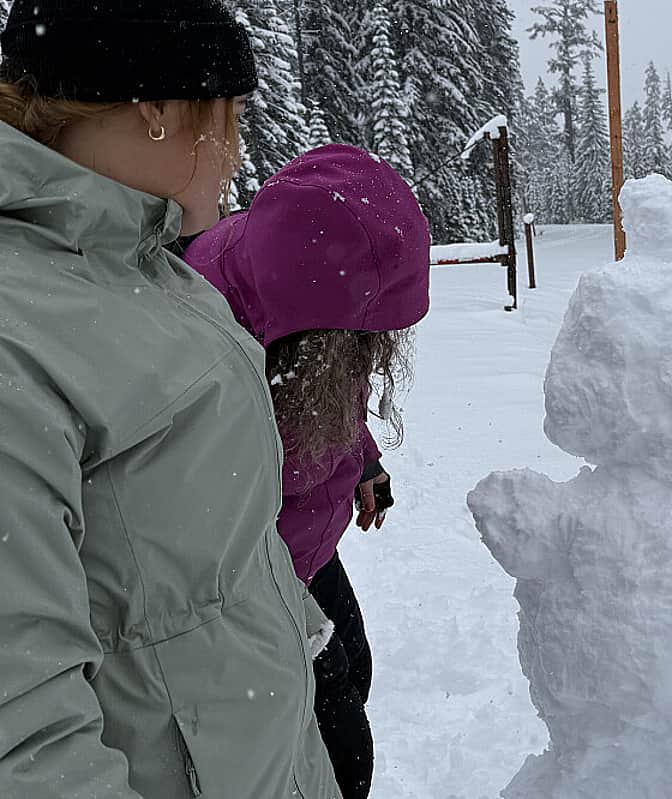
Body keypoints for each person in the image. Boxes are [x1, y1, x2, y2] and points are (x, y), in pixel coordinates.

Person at [0, 2, 342, 798]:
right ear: (155, 108)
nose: (234, 152)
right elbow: (21, 731)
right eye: (229, 119)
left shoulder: (160, 275)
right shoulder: (20, 329)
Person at [183, 144, 432, 799]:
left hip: (309, 544)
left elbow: (330, 395)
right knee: (338, 737)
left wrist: (364, 462)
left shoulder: (315, 295)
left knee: (352, 670)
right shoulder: (206, 326)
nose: (371, 358)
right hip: (253, 569)